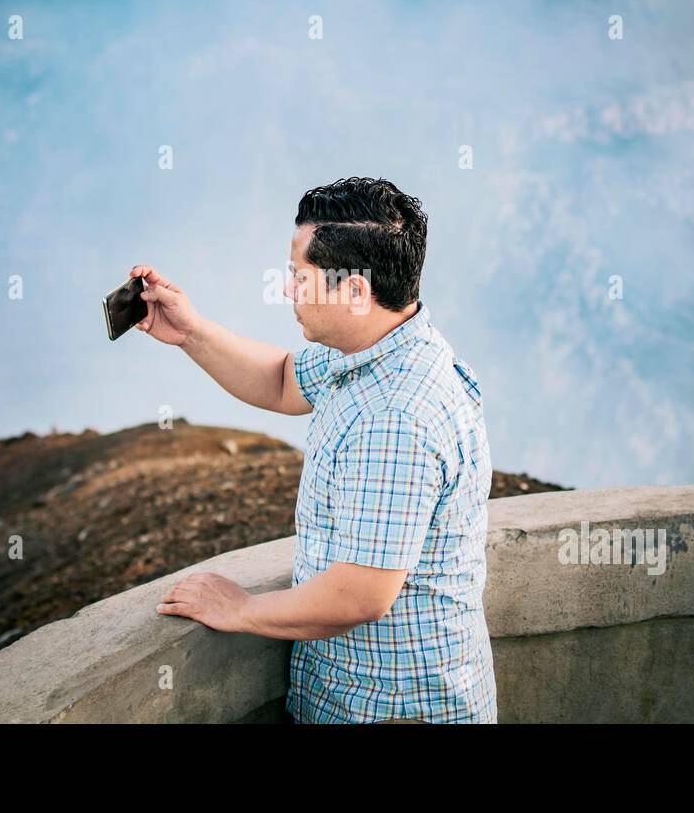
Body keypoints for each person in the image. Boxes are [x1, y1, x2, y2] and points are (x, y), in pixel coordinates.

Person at [138, 176, 497, 724]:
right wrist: (189, 331)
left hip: (391, 710)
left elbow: (360, 594)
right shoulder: (376, 346)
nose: (288, 290)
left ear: (355, 291)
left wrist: (242, 608)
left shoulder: (395, 417)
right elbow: (283, 381)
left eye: (299, 276)